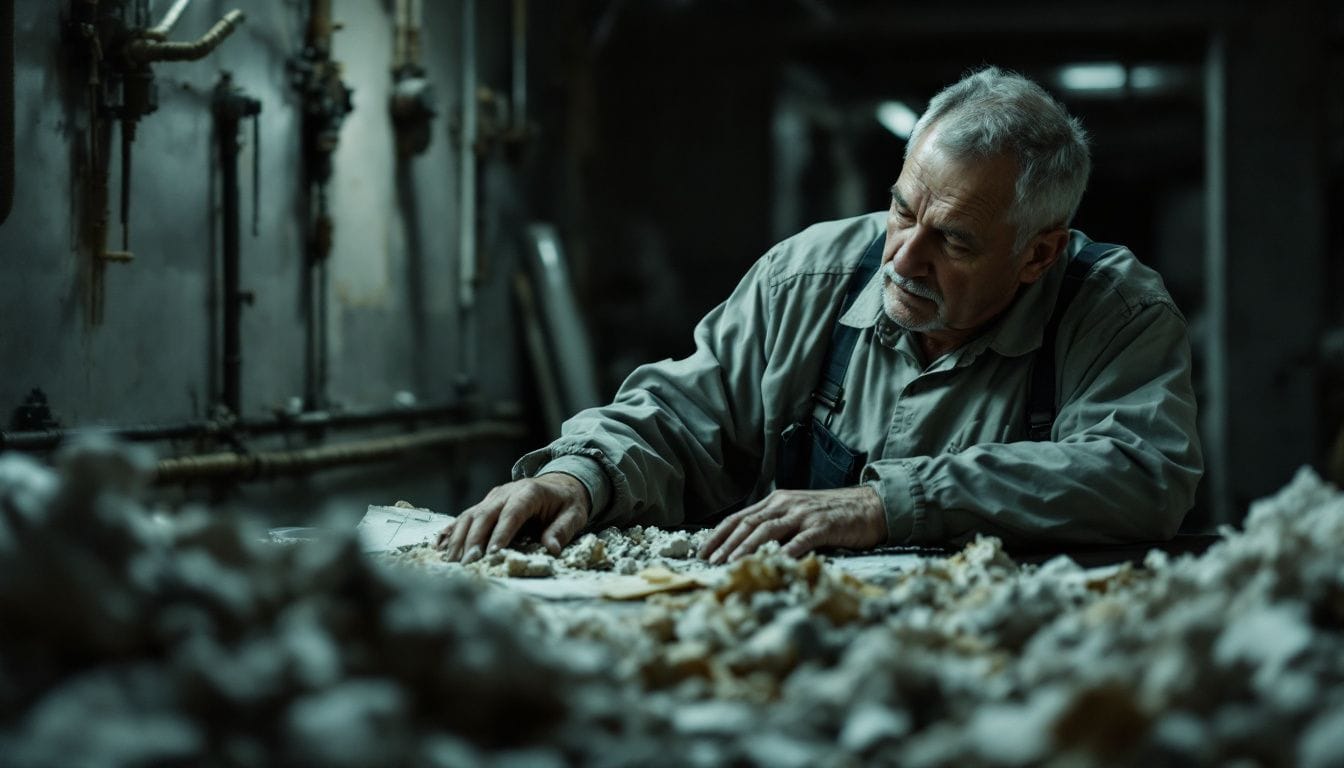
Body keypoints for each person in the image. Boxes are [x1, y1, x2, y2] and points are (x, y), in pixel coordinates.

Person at [437, 66, 1203, 565]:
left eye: (955, 242)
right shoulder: (810, 276)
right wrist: (582, 475)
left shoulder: (1113, 310)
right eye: (903, 210)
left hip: (1006, 651)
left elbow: (1140, 472)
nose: (904, 259)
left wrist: (886, 503)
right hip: (808, 641)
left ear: (1038, 256)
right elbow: (676, 414)